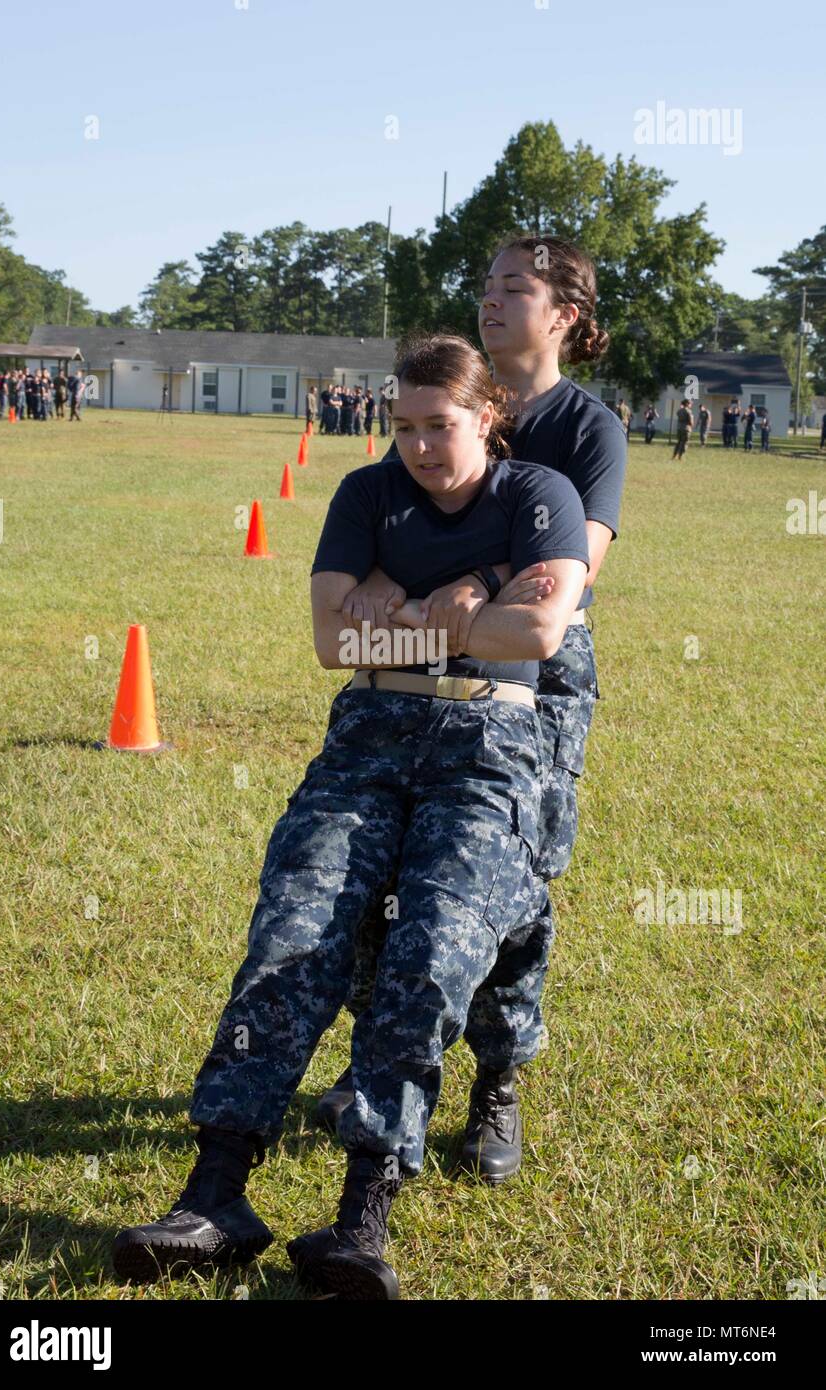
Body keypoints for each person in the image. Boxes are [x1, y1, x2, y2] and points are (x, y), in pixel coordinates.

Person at [111, 333, 590, 1299]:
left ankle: (361, 1219)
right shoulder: (367, 494)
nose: (418, 446)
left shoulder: (539, 494)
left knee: (433, 951)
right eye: (402, 426)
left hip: (489, 744)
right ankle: (215, 1199)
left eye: (438, 425)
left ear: (487, 416)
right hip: (370, 732)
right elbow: (334, 643)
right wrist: (466, 608)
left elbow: (542, 632)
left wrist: (406, 607)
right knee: (292, 933)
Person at [316, 233, 627, 1187]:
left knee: (513, 882)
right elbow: (386, 525)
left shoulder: (586, 427)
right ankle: (383, 1060)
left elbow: (577, 569)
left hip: (536, 671)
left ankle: (498, 1079)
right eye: (486, 286)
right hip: (416, 664)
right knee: (387, 866)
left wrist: (478, 582)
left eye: (515, 287)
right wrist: (381, 587)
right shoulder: (440, 399)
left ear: (564, 313)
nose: (491, 300)